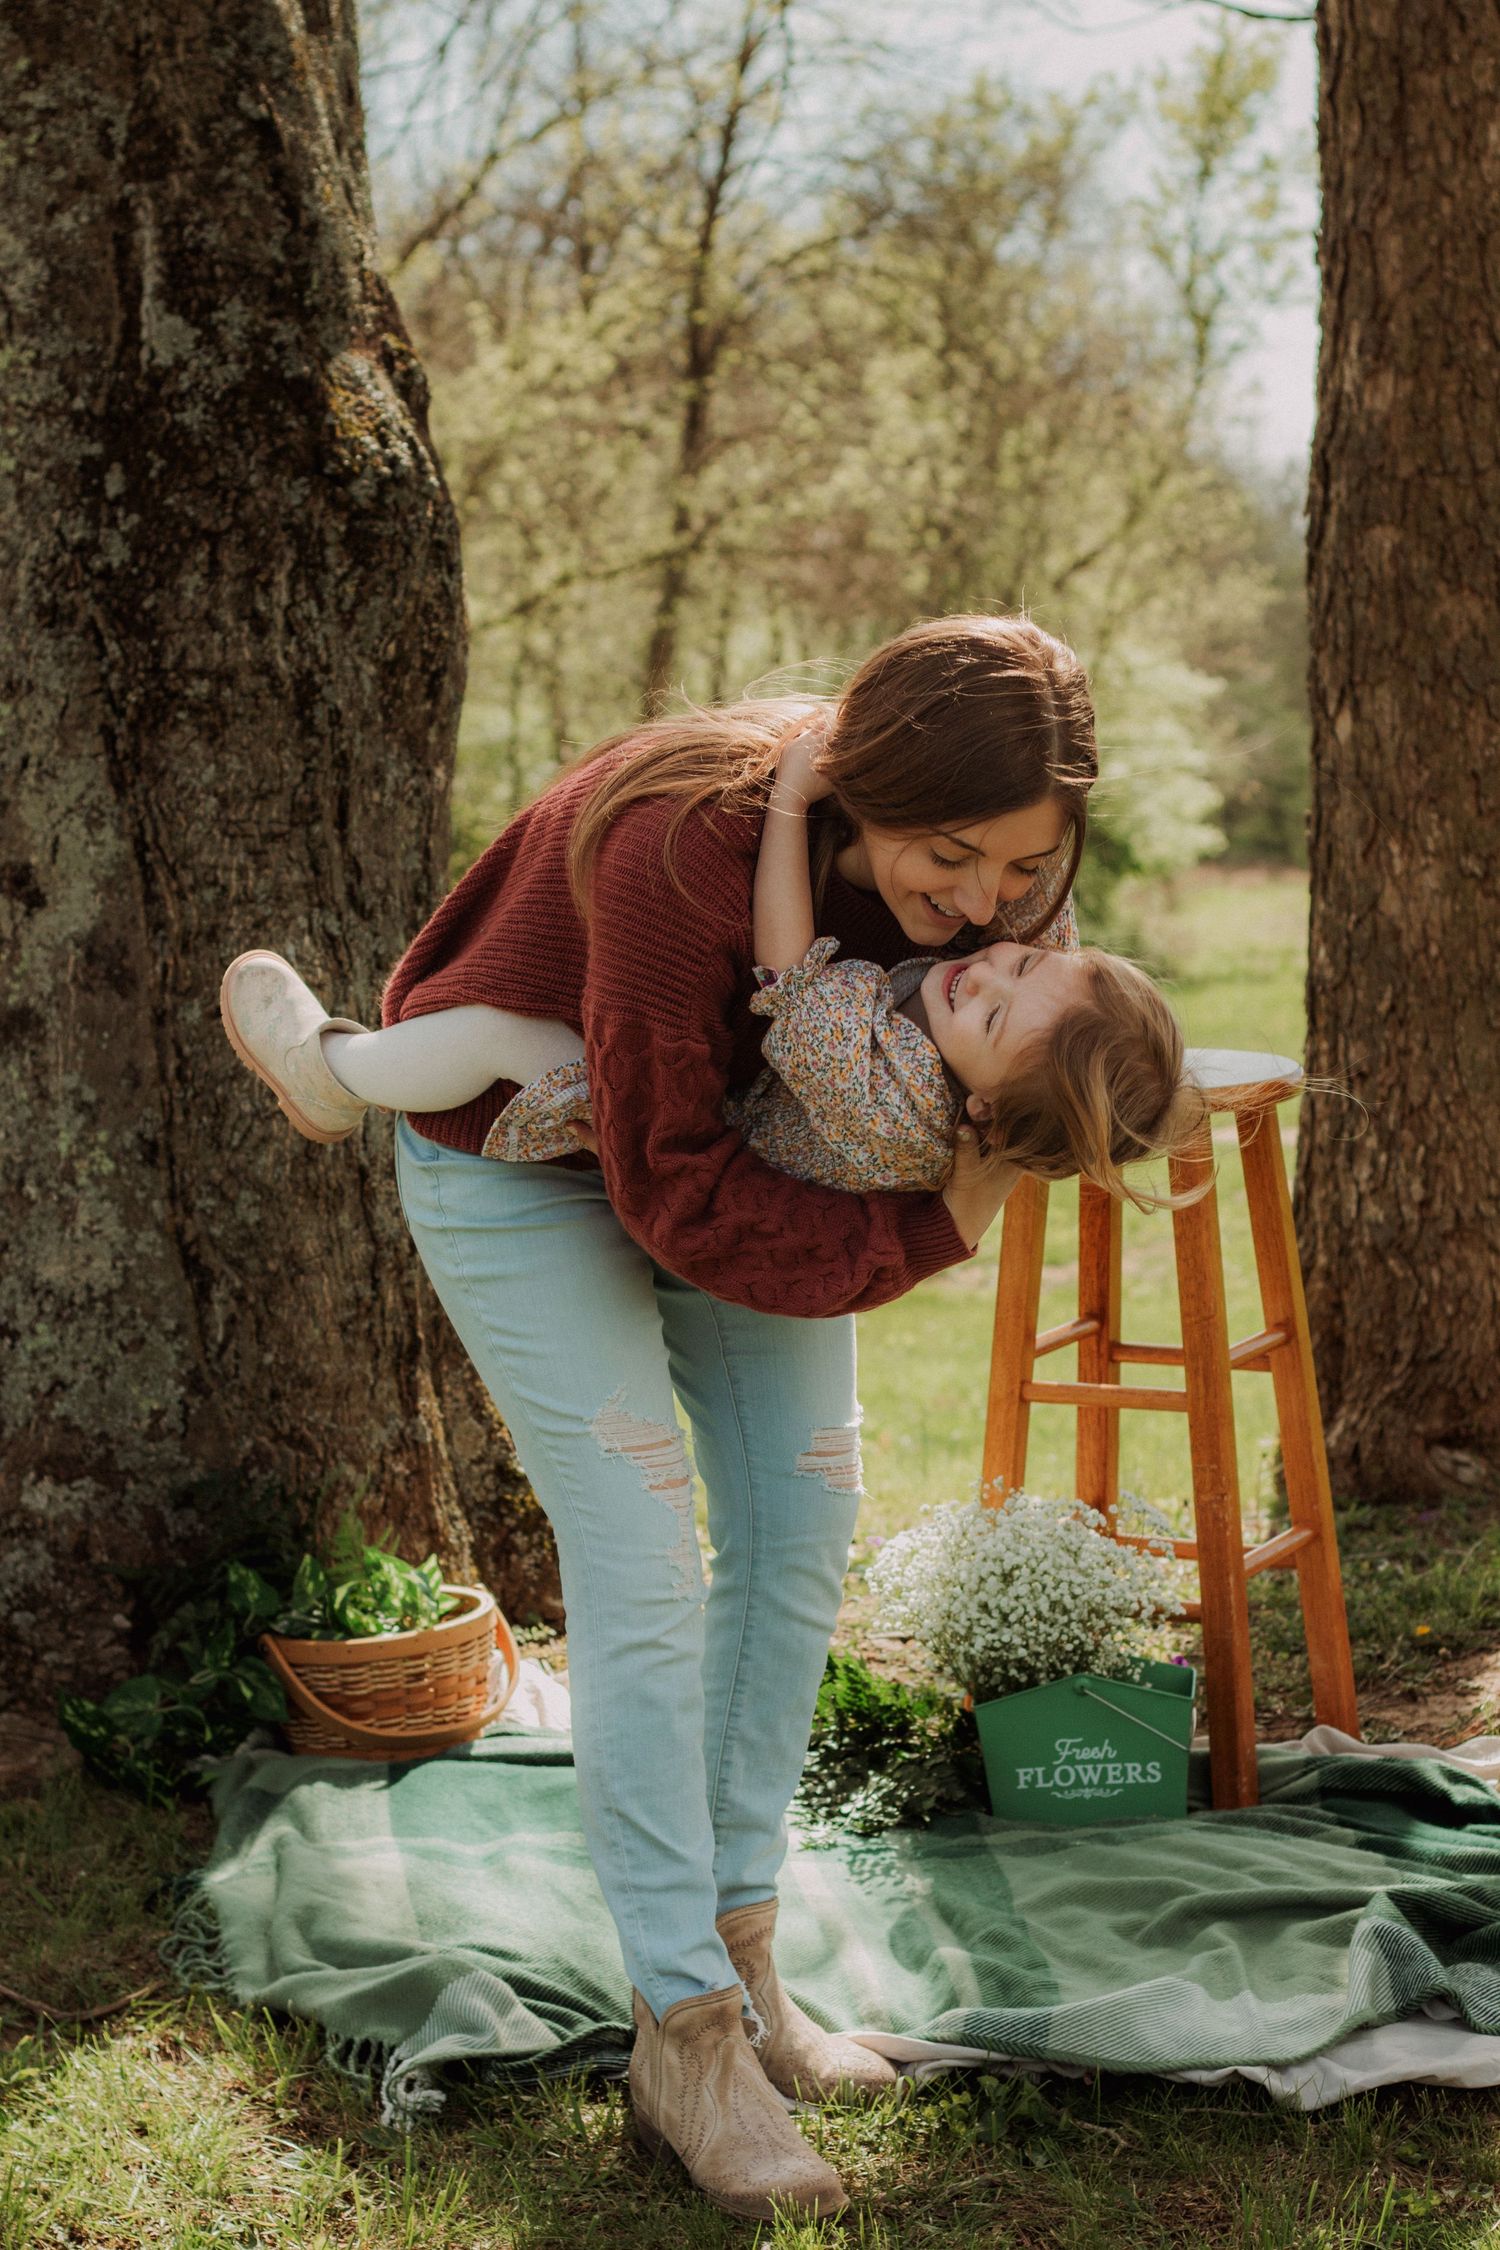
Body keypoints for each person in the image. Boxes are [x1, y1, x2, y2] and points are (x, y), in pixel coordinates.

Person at [221, 614, 1102, 2223]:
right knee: (642, 1557)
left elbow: (985, 1071)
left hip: (747, 1155)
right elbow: (674, 1185)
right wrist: (938, 1230)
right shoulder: (690, 841)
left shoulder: (1005, 893)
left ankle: (747, 1966)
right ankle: (681, 2035)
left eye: (1024, 868)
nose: (983, 904)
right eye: (948, 854)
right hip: (529, 1144)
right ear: (863, 783)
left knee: (801, 1524)